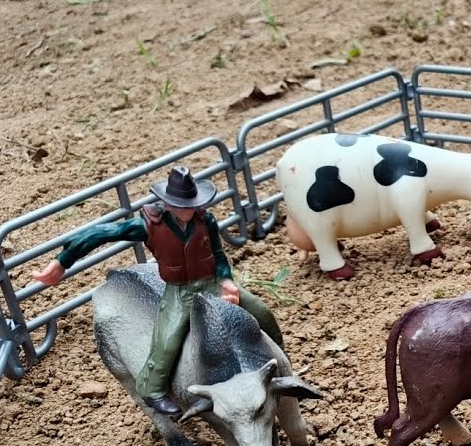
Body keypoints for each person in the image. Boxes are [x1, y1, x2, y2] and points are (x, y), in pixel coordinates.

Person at [33, 165, 284, 416]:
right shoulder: (150, 225)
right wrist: (63, 261)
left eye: (191, 205)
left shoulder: (205, 219)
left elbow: (217, 254)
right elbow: (102, 233)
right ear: (168, 203)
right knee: (168, 339)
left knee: (261, 312)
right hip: (180, 290)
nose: (187, 211)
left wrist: (227, 280)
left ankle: (280, 366)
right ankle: (153, 389)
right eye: (181, 206)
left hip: (212, 282)